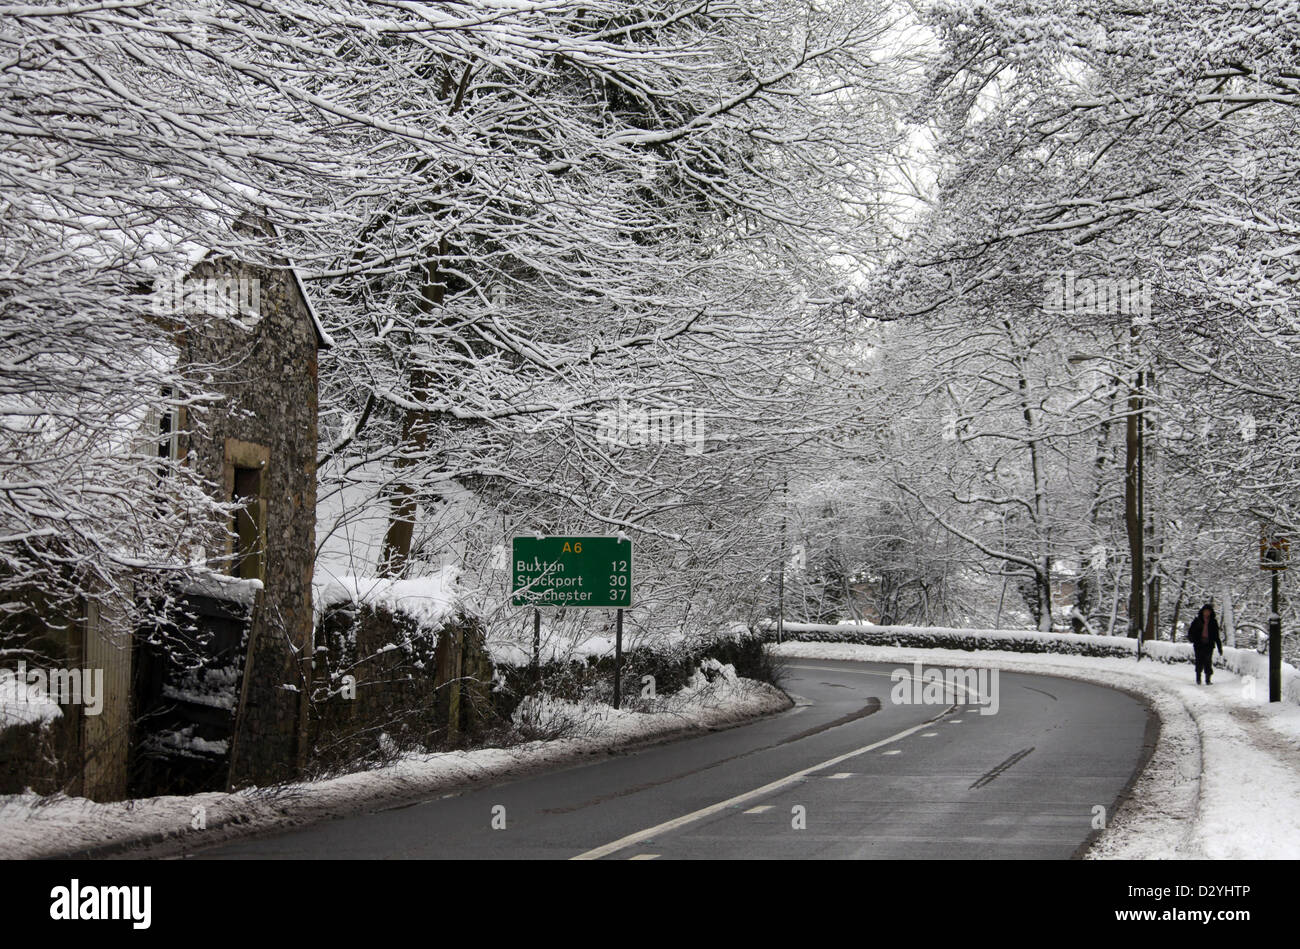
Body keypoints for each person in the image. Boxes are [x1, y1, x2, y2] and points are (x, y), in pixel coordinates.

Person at [1186, 603, 1223, 685]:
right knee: (1199, 661)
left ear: (1211, 612)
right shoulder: (1197, 620)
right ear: (1202, 612)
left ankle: (1208, 679)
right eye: (1205, 611)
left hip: (1209, 644)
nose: (1206, 613)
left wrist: (1219, 647)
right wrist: (1192, 639)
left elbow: (1216, 635)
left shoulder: (1213, 622)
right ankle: (1198, 679)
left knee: (1208, 662)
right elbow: (1191, 632)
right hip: (1199, 644)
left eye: (1208, 611)